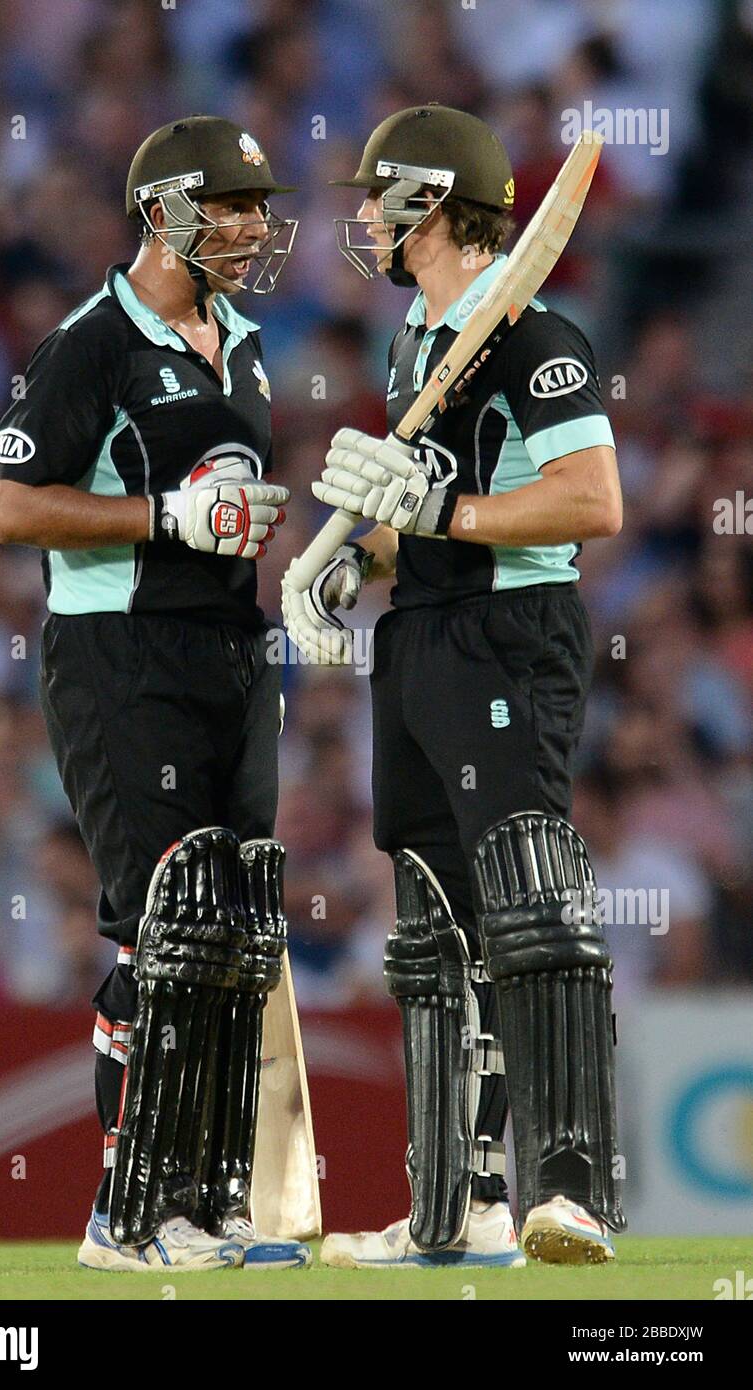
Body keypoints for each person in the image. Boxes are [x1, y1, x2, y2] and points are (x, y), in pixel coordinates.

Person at [284, 104, 626, 1267]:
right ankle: (454, 1207)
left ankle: (573, 1187)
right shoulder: (417, 343)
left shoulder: (533, 332)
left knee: (528, 898)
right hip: (421, 630)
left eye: (378, 196)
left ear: (428, 199)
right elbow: (421, 517)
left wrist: (443, 514)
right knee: (434, 929)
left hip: (508, 629)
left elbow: (590, 500)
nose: (364, 219)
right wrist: (352, 556)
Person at [0, 115, 310, 1271]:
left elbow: (234, 500)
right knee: (163, 926)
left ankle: (205, 1199)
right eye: (234, 205)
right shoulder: (90, 341)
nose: (257, 226)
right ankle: (124, 1211)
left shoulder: (245, 335)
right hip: (118, 652)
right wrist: (161, 517)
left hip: (229, 649)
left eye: (260, 206)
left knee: (231, 933)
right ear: (170, 209)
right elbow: (14, 506)